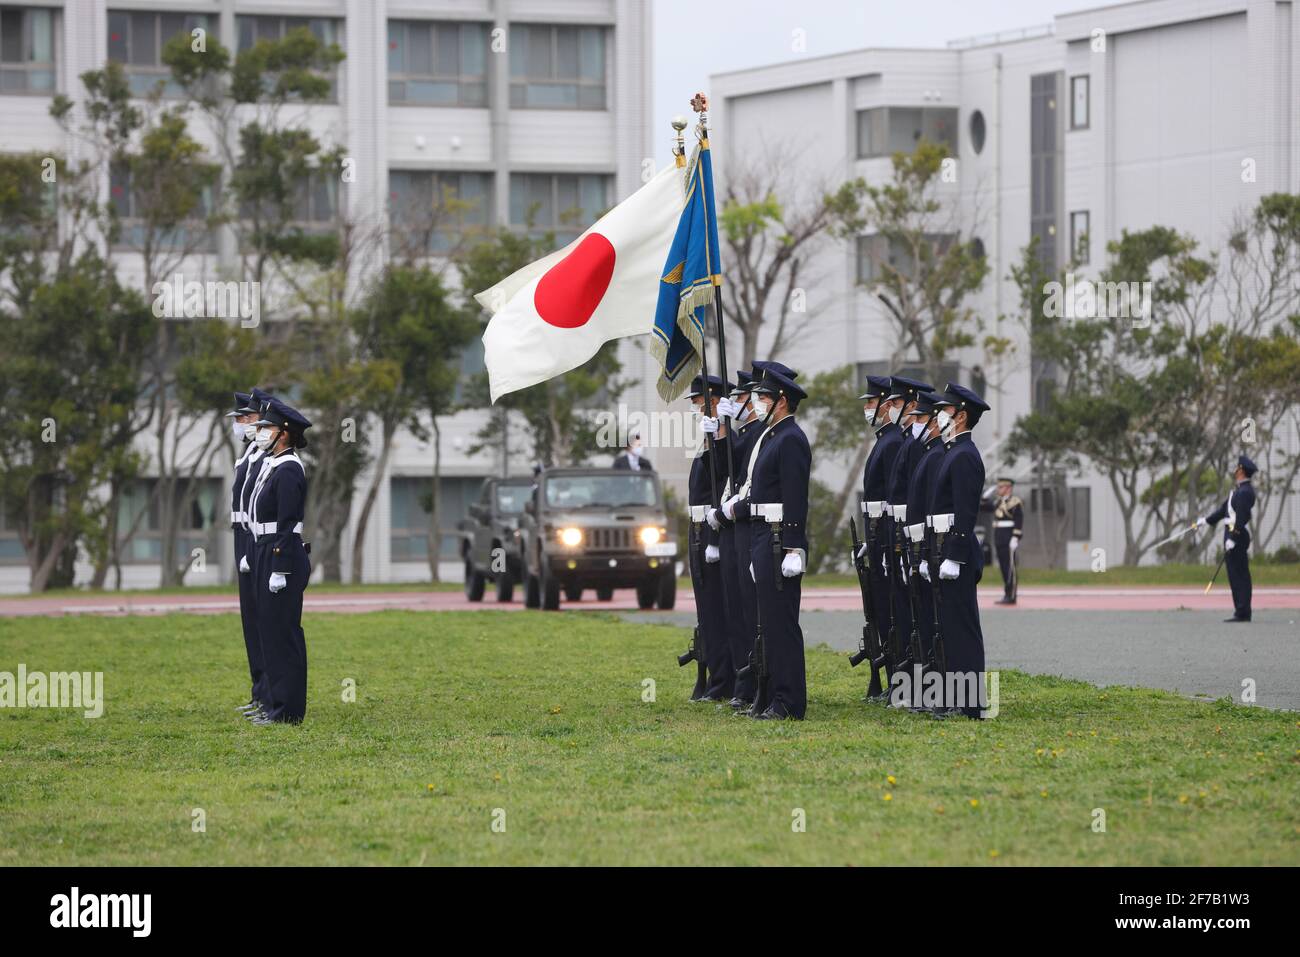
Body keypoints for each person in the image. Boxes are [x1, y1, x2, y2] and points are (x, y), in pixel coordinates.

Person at [723, 366, 811, 720]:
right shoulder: (772, 436)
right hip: (761, 534)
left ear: (781, 401)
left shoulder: (790, 438)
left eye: (763, 397)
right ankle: (769, 694)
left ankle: (789, 701)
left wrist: (794, 546)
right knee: (765, 623)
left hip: (777, 537)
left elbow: (796, 496)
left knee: (781, 623)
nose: (757, 403)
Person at [246, 397, 313, 725]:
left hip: (280, 555)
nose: (260, 432)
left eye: (266, 427)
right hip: (264, 550)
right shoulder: (274, 464)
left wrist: (280, 568)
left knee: (283, 636)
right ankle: (274, 704)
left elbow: (288, 524)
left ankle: (288, 711)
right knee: (268, 633)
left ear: (284, 433)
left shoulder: (289, 468)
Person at [927, 383, 991, 720]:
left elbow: (965, 512)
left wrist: (955, 554)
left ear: (961, 415)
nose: (938, 415)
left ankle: (971, 704)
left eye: (945, 409)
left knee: (963, 628)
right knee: (950, 627)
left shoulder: (965, 455)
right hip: (944, 548)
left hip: (958, 552)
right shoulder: (952, 451)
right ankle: (956, 698)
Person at [685, 374, 735, 702]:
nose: (695, 408)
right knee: (706, 608)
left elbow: (721, 476)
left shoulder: (726, 439)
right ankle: (714, 676)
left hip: (712, 527)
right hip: (697, 527)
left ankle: (723, 681)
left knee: (718, 609)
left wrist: (718, 437)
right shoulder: (709, 438)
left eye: (698, 401)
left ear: (714, 400)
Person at [859, 375, 906, 696]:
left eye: (872, 403)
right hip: (876, 535)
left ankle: (896, 677)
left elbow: (893, 500)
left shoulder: (892, 442)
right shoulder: (883, 439)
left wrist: (886, 542)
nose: (867, 408)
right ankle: (888, 674)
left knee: (891, 610)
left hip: (886, 533)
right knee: (879, 609)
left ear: (888, 406)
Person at [227, 388, 270, 718]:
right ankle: (259, 690)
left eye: (247, 418)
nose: (241, 423)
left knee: (262, 620)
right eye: (239, 418)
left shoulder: (265, 456)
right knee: (249, 622)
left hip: (255, 540)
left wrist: (251, 547)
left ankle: (269, 693)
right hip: (242, 538)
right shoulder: (248, 454)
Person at [1199, 454, 1258, 623]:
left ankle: (1243, 612)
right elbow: (1223, 510)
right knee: (1233, 574)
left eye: (1237, 467)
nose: (1235, 469)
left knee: (1240, 574)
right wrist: (1206, 521)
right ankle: (1239, 610)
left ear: (1241, 470)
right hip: (1231, 534)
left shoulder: (1246, 492)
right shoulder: (1239, 491)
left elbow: (1241, 517)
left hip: (1236, 536)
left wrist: (1233, 537)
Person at [991, 477, 1024, 605]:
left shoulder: (1015, 502)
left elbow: (1019, 520)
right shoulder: (998, 502)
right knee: (1004, 567)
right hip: (999, 537)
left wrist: (1015, 537)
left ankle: (1011, 595)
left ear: (1008, 488)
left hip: (1009, 537)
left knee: (1010, 567)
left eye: (1001, 487)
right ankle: (1007, 593)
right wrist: (985, 495)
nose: (998, 489)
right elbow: (984, 506)